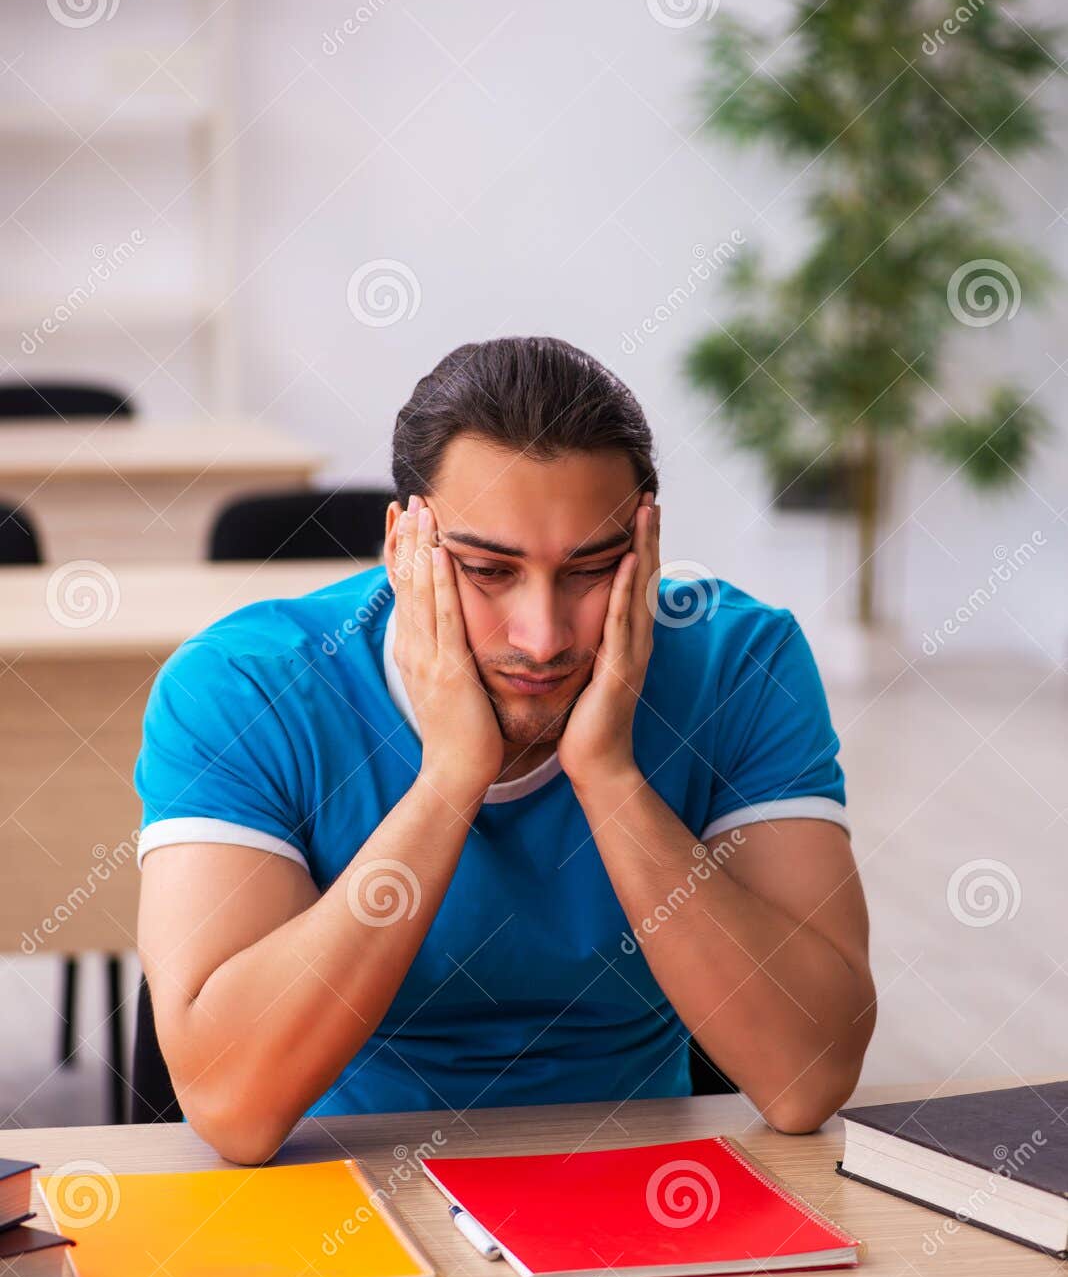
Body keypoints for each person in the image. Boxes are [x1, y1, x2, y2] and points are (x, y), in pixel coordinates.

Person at [135, 336, 875, 1163]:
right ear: (403, 546)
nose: (542, 636)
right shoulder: (244, 688)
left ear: (646, 552)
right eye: (489, 570)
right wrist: (451, 777)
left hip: (643, 1182)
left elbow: (808, 1078)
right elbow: (233, 1107)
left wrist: (608, 774)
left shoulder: (739, 665)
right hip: (344, 1179)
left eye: (592, 570)